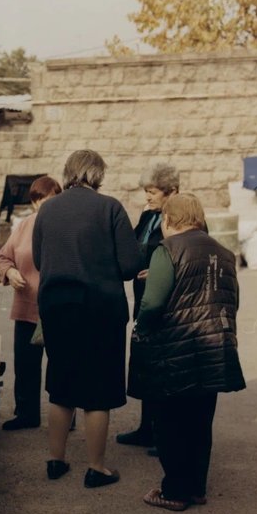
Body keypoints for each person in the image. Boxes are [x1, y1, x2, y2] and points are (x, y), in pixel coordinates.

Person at [127, 193, 245, 511]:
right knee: (199, 422)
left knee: (170, 423)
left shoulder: (168, 249)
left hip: (177, 349)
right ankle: (195, 488)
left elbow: (152, 303)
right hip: (214, 346)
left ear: (169, 219)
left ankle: (174, 491)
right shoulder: (223, 251)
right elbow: (230, 298)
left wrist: (141, 328)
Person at [32, 149, 142, 488]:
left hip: (57, 306)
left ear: (68, 173)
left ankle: (56, 460)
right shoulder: (110, 208)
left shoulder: (47, 209)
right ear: (97, 174)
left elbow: (39, 260)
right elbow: (129, 265)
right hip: (100, 309)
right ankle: (96, 468)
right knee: (98, 389)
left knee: (61, 386)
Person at [117, 162, 180, 449]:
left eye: (153, 192)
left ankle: (164, 433)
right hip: (143, 299)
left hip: (164, 304)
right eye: (146, 191)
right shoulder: (149, 217)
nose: (148, 197)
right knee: (144, 363)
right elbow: (132, 245)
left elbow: (183, 257)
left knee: (163, 368)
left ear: (172, 192)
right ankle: (147, 428)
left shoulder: (180, 218)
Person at [0, 175, 62, 431]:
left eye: (51, 201)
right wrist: (11, 273)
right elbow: (4, 256)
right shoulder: (24, 225)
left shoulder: (65, 227)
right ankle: (26, 413)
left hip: (56, 307)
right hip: (26, 306)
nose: (44, 206)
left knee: (60, 364)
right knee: (25, 364)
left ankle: (64, 414)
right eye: (40, 201)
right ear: (34, 202)